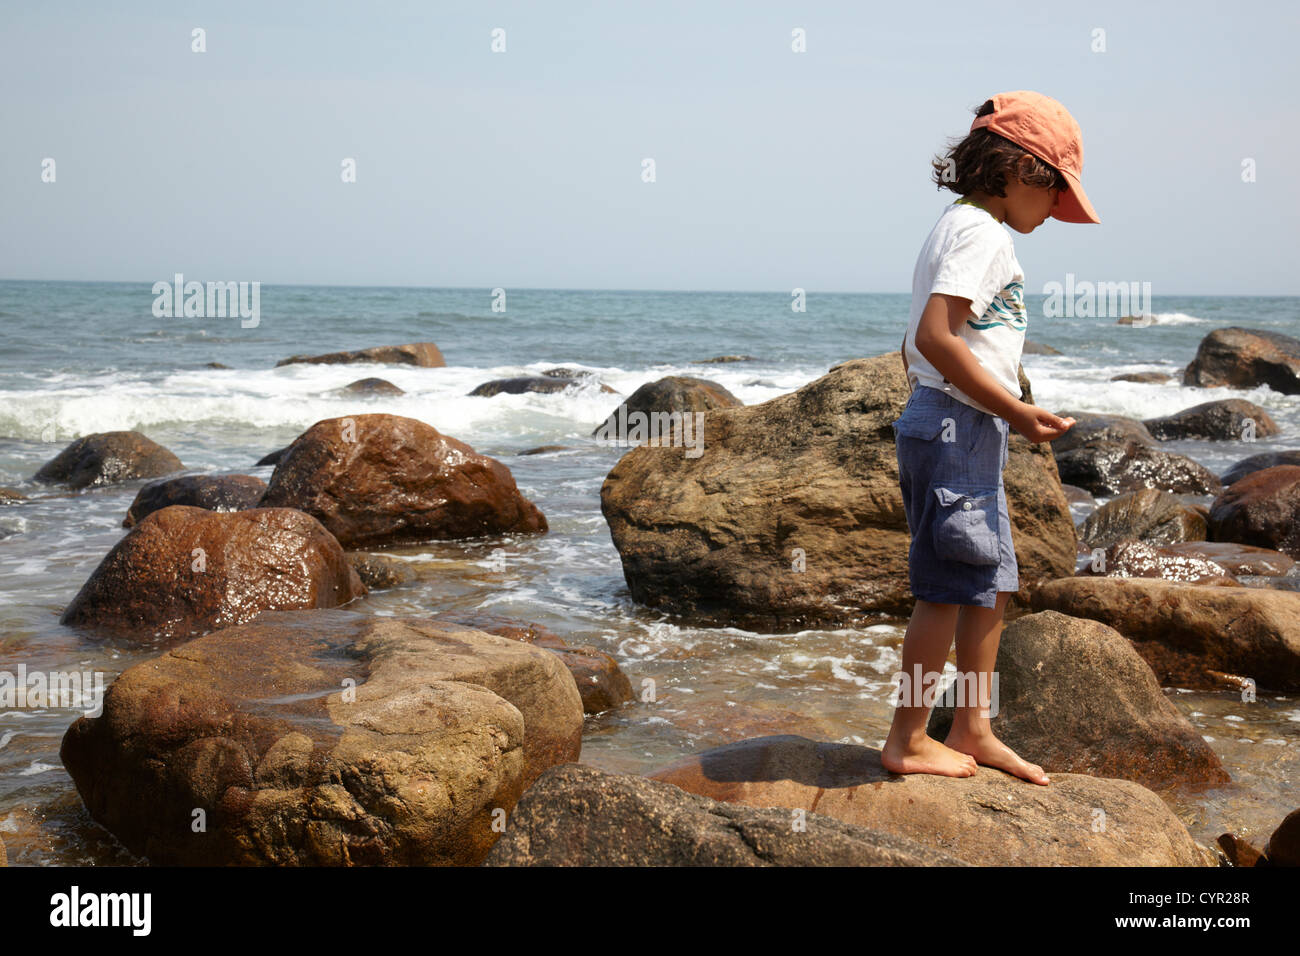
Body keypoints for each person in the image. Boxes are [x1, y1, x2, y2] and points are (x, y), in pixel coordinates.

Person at [881, 91, 1099, 784]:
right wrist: (1017, 410)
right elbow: (934, 336)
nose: (1056, 210)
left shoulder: (960, 226)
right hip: (954, 424)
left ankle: (973, 727)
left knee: (989, 582)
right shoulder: (980, 234)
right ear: (1021, 171)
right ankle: (909, 738)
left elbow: (934, 335)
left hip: (960, 423)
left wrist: (1000, 410)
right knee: (946, 588)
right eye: (1056, 190)